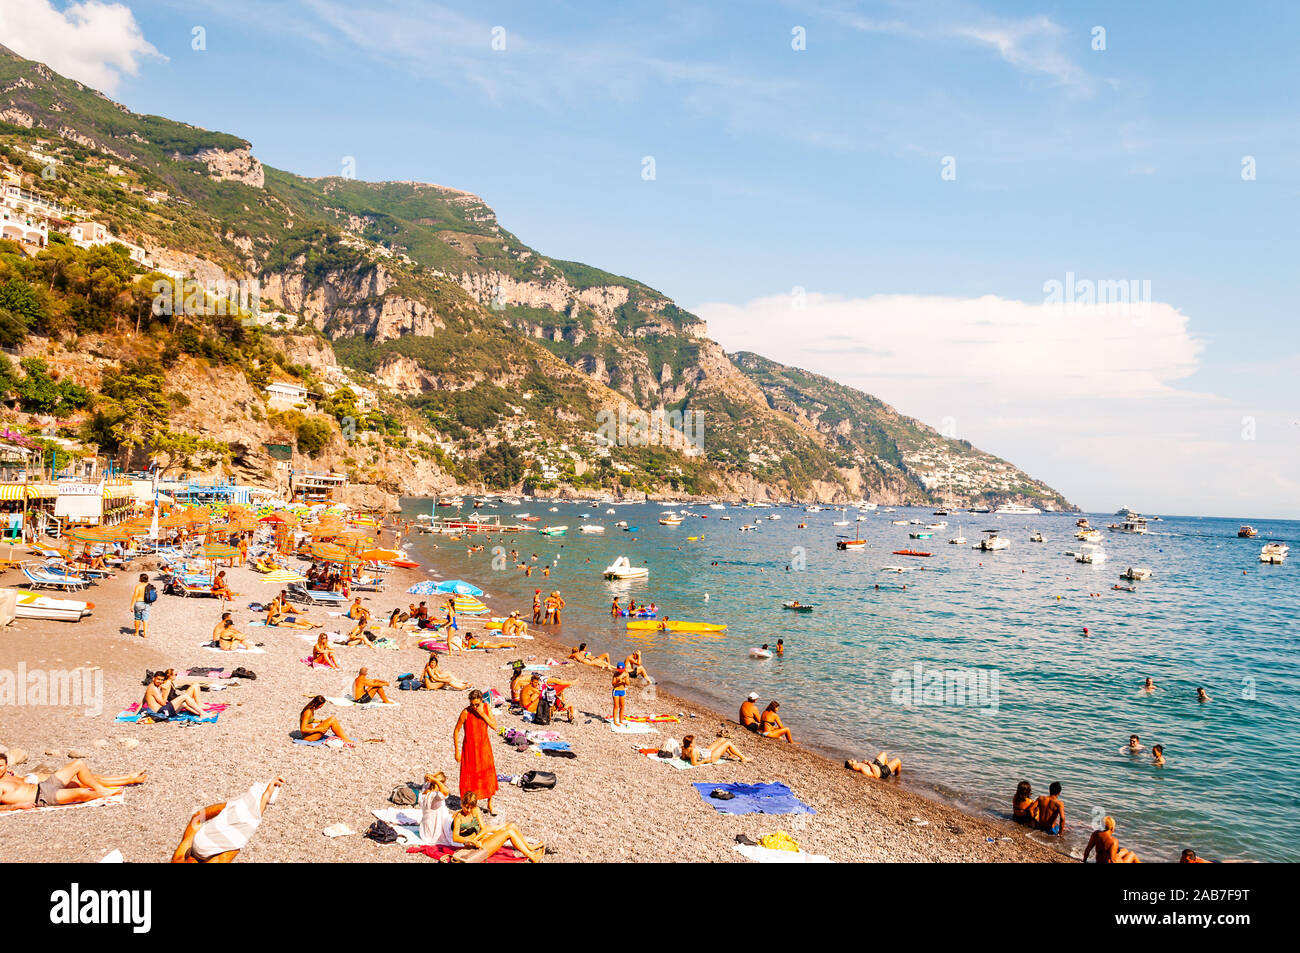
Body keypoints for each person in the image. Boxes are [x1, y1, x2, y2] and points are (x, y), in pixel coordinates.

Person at [172, 777, 284, 863]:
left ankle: (260, 799)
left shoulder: (178, 859)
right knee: (247, 823)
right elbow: (232, 849)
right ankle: (264, 798)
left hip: (202, 845)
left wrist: (229, 807)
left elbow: (196, 818)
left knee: (246, 821)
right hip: (214, 848)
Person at [0, 752, 146, 810]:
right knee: (81, 791)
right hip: (42, 797)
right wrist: (17, 806)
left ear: (6, 764)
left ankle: (101, 789)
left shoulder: (10, 774)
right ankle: (104, 791)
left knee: (78, 764)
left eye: (1, 765)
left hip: (44, 785)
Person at [450, 790, 545, 862]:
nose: (469, 810)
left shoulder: (476, 810)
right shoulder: (459, 818)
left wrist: (478, 838)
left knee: (511, 826)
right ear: (462, 803)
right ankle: (532, 856)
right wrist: (471, 841)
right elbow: (455, 837)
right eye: (466, 807)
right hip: (474, 848)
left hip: (480, 840)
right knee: (509, 832)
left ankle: (529, 847)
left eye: (471, 807)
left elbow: (483, 828)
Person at [453, 690, 499, 815]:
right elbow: (456, 731)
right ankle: (471, 804)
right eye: (472, 704)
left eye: (477, 704)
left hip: (484, 747)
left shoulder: (486, 708)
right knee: (469, 776)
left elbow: (495, 726)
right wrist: (457, 751)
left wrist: (483, 714)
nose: (474, 707)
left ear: (481, 701)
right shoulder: (466, 712)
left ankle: (490, 804)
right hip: (469, 749)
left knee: (487, 774)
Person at [418, 771, 455, 847]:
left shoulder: (424, 791)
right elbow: (445, 792)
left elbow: (426, 780)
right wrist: (436, 780)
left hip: (425, 831)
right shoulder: (435, 796)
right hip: (435, 834)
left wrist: (431, 779)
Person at [682, 734, 749, 765]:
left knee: (722, 739)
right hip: (711, 756)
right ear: (690, 744)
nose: (695, 742)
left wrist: (688, 756)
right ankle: (743, 758)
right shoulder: (693, 750)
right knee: (728, 743)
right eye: (693, 742)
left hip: (705, 751)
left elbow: (684, 758)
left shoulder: (683, 748)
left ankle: (731, 754)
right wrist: (704, 761)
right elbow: (694, 763)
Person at [130, 572, 150, 639]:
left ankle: (136, 632)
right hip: (147, 603)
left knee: (137, 618)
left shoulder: (138, 586)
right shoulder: (149, 586)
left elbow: (135, 596)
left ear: (141, 579)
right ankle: (145, 634)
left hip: (139, 603)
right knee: (145, 619)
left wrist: (131, 606)